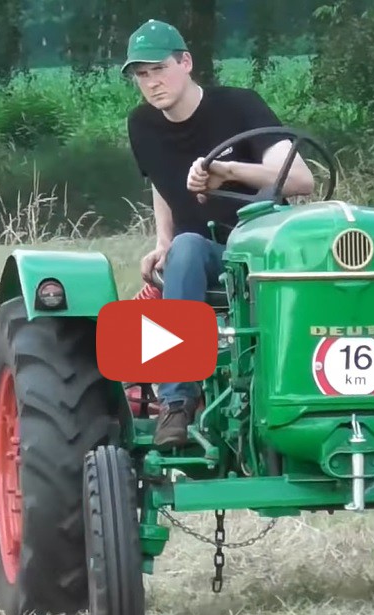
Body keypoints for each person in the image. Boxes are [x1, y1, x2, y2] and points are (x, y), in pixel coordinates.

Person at [122, 19, 316, 448]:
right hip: (203, 253)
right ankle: (176, 402)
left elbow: (302, 179)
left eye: (159, 69)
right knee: (186, 249)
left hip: (264, 249)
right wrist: (163, 241)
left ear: (185, 62)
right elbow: (160, 180)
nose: (152, 83)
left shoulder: (239, 107)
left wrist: (227, 172)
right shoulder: (142, 125)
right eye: (141, 74)